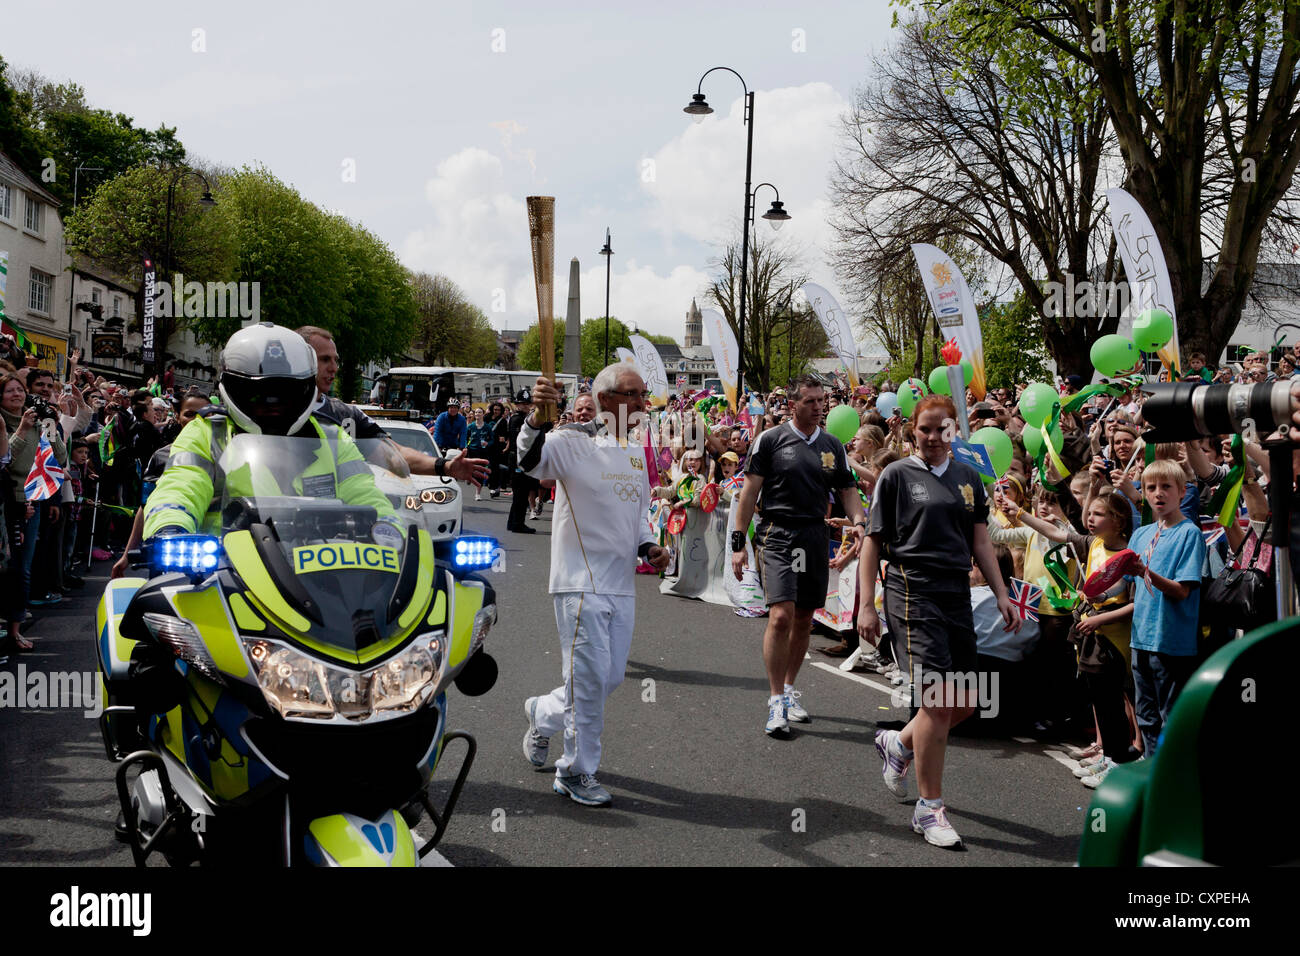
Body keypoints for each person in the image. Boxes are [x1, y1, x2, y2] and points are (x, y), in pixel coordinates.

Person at [858, 393, 1020, 849]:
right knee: (936, 699)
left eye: (942, 428)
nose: (933, 437)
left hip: (956, 591)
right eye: (925, 428)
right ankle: (929, 809)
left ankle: (899, 744)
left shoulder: (969, 478)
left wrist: (1003, 594)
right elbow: (872, 543)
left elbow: (982, 543)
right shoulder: (895, 476)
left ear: (955, 431)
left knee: (966, 702)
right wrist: (865, 605)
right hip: (911, 589)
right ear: (912, 428)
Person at [516, 365, 671, 806]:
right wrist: (534, 419)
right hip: (579, 582)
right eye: (633, 394)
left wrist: (648, 546)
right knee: (586, 681)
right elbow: (527, 461)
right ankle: (575, 772)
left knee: (609, 677)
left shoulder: (634, 449)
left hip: (620, 583)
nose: (644, 402)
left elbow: (637, 512)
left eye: (644, 394)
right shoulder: (571, 442)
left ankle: (542, 713)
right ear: (606, 400)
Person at [142, 324, 396, 539]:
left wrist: (390, 528)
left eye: (287, 391)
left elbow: (367, 495)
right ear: (233, 386)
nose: (274, 401)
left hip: (319, 579)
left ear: (305, 387)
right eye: (260, 392)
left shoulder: (331, 437)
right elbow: (180, 487)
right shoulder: (208, 433)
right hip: (224, 578)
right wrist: (169, 528)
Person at [730, 374, 868, 736]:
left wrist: (857, 519)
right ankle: (775, 699)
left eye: (822, 400)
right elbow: (748, 494)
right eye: (810, 401)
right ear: (793, 404)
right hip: (777, 533)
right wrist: (738, 542)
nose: (819, 406)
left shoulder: (833, 446)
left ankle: (789, 689)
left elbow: (847, 488)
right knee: (780, 616)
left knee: (805, 618)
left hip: (814, 533)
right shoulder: (770, 441)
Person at [294, 325, 488, 486]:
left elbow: (394, 455)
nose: (334, 367)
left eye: (336, 360)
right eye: (325, 359)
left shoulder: (346, 415)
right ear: (300, 360)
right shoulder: (274, 409)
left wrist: (444, 466)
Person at [1122, 458, 1206, 757]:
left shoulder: (1189, 533)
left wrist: (1146, 571)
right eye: (1151, 487)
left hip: (1170, 641)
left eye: (1166, 487)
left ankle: (1170, 780)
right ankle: (1150, 770)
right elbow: (1129, 581)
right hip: (1140, 637)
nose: (1158, 493)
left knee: (1170, 715)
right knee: (1146, 715)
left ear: (1182, 491)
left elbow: (1182, 590)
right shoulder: (1142, 533)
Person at [505, 390, 540, 534]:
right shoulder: (517, 420)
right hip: (518, 459)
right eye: (522, 404)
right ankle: (518, 523)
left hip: (520, 459)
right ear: (517, 404)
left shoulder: (524, 418)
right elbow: (519, 442)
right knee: (521, 493)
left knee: (520, 494)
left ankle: (513, 522)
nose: (525, 406)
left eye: (527, 404)